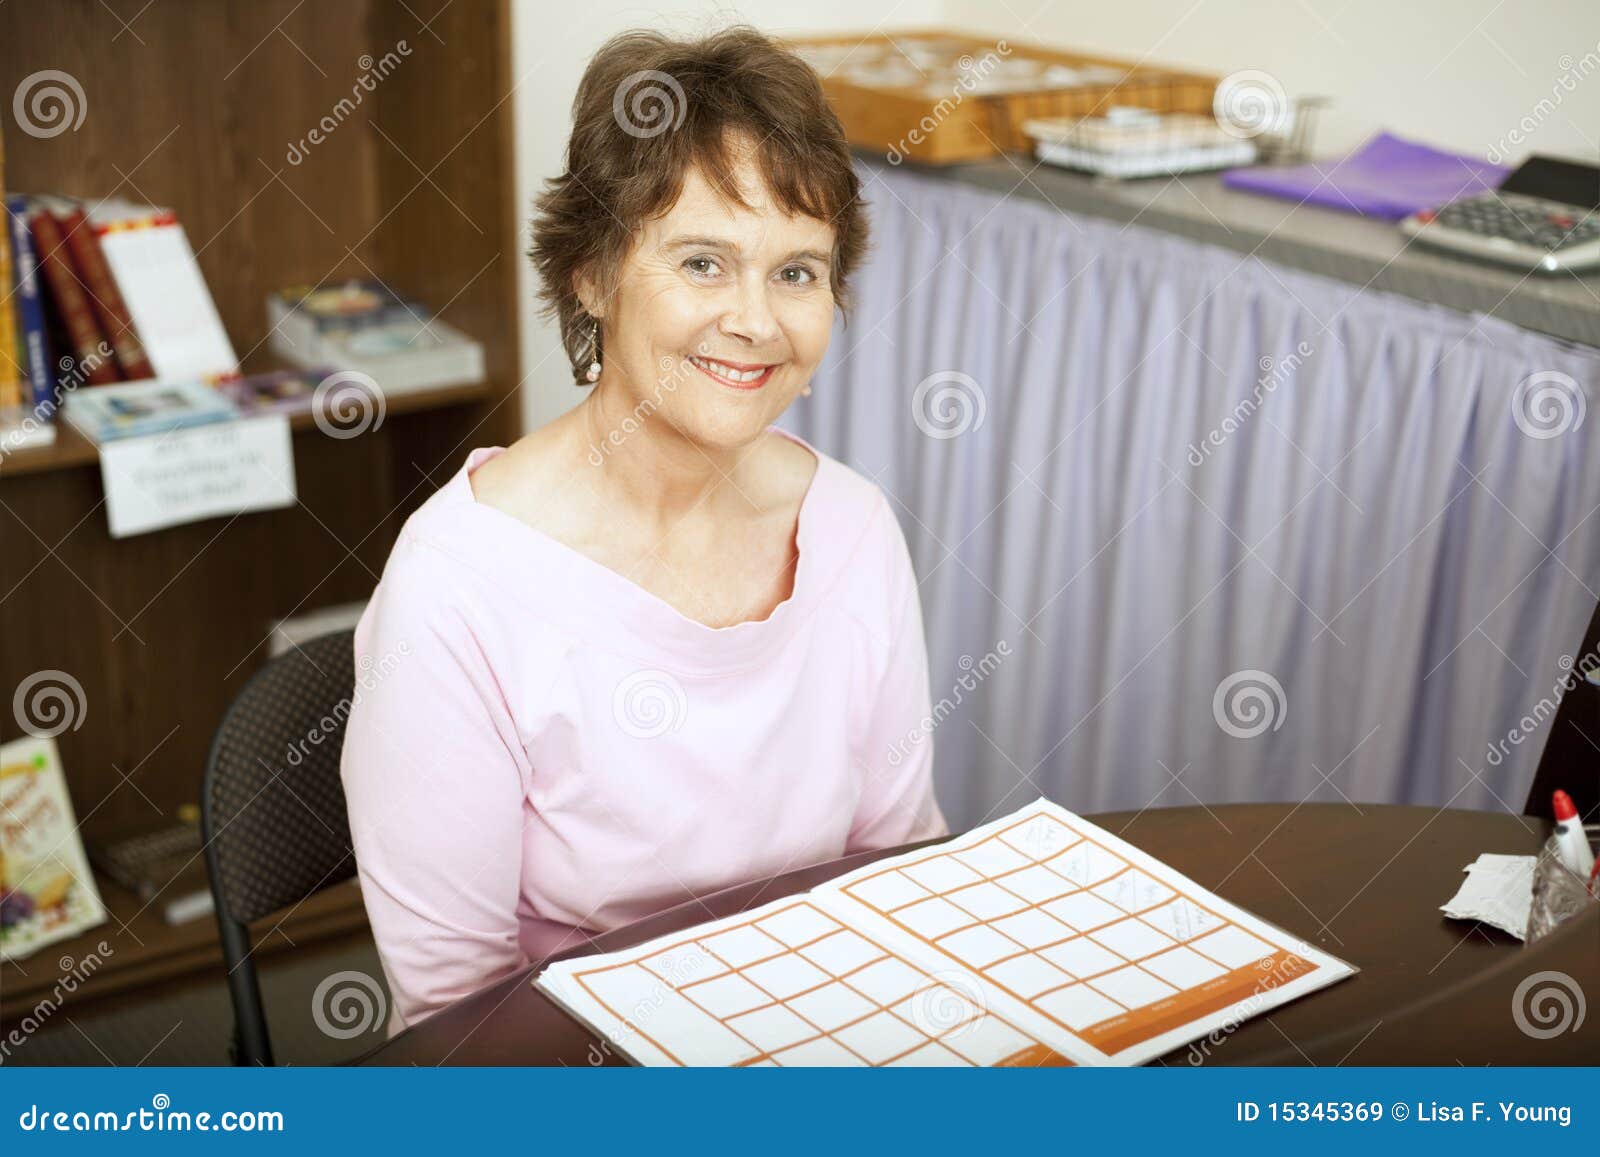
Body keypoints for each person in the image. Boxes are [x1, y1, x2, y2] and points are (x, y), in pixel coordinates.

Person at [340, 25, 947, 1039]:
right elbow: (454, 1018)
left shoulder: (851, 528)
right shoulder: (454, 587)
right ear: (590, 274)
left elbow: (897, 871)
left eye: (797, 271)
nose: (756, 321)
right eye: (703, 261)